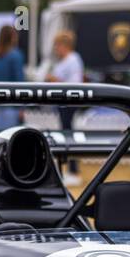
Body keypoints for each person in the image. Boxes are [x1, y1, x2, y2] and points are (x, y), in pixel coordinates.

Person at [45, 31, 84, 185]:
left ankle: (73, 171)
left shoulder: (72, 60)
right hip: (64, 104)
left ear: (64, 45)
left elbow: (71, 82)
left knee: (69, 136)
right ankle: (70, 170)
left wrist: (52, 78)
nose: (56, 49)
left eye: (57, 46)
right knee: (67, 135)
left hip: (69, 104)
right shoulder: (67, 61)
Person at [0, 25, 25, 131]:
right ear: (12, 37)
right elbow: (20, 82)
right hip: (13, 104)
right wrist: (22, 107)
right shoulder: (15, 55)